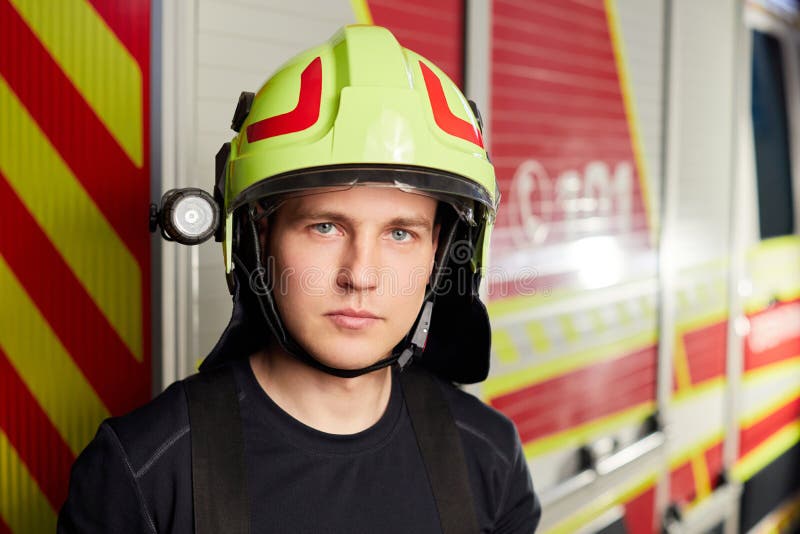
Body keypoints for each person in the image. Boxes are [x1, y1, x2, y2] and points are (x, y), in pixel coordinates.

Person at [58, 24, 541, 533]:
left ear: (441, 256)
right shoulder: (144, 471)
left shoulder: (489, 456)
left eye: (401, 233)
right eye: (325, 226)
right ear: (256, 240)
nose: (360, 276)